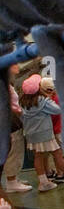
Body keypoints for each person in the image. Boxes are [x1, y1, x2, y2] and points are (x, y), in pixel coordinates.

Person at [19, 74, 64, 192]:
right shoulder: (43, 101)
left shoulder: (23, 102)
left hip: (31, 135)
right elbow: (57, 110)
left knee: (38, 157)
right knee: (58, 154)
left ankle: (43, 182)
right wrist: (48, 97)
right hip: (45, 134)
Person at [4, 63, 28, 193]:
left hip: (11, 123)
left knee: (15, 152)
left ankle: (13, 178)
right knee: (14, 153)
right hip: (10, 124)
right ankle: (11, 181)